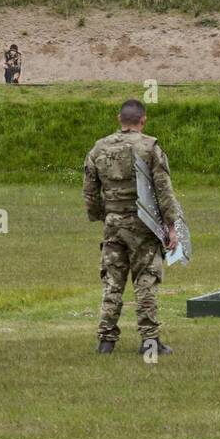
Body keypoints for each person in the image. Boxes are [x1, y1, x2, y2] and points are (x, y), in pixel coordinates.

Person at [83, 99, 180, 355]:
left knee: (113, 281)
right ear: (143, 120)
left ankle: (106, 340)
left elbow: (90, 190)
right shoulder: (150, 147)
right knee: (145, 280)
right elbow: (163, 190)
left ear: (119, 119)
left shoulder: (98, 148)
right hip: (143, 224)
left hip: (113, 222)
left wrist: (101, 216)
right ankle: (150, 340)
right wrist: (171, 227)